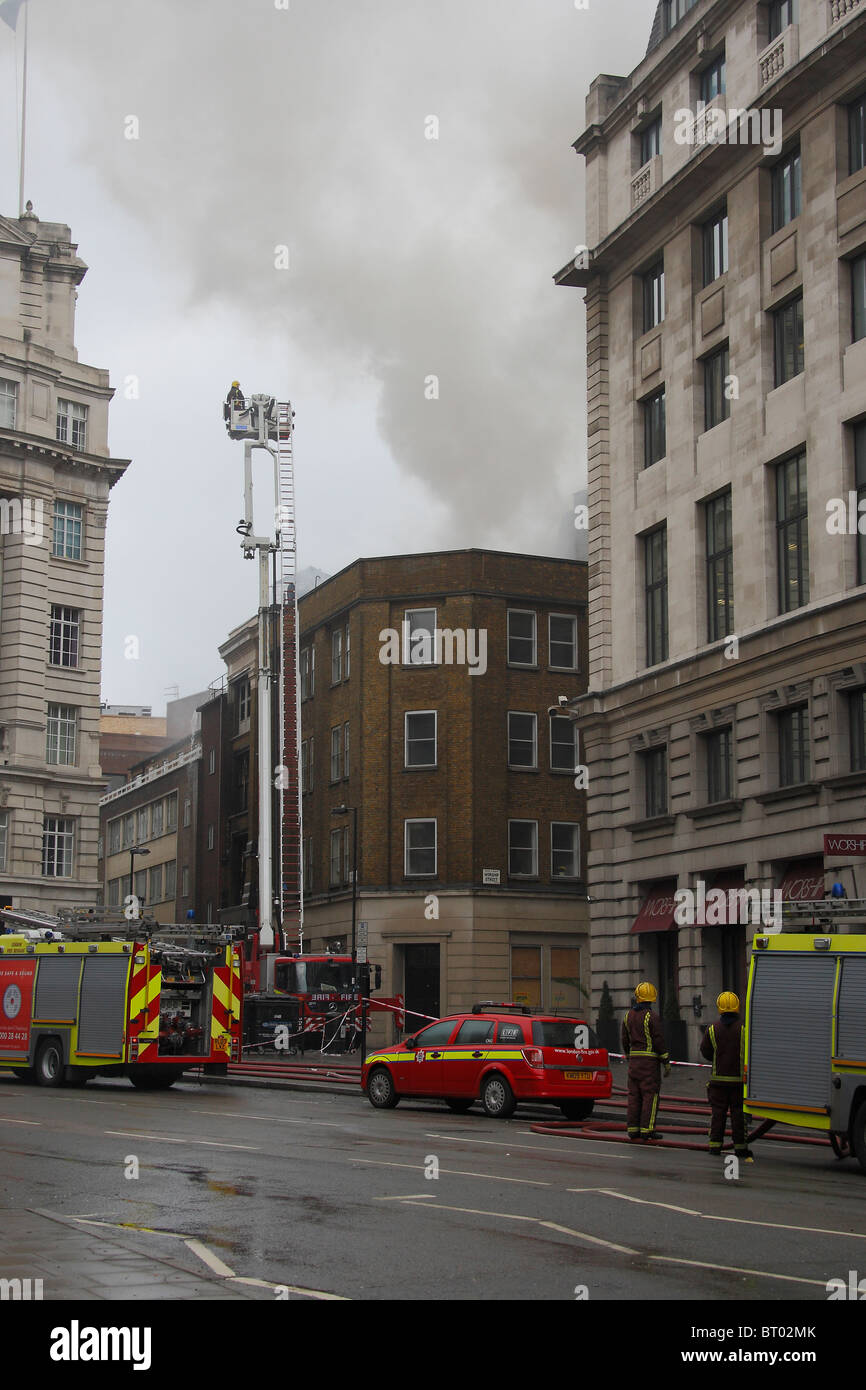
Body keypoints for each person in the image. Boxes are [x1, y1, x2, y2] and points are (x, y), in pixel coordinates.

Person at [700, 991, 753, 1162]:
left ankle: (715, 1146)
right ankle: (741, 1148)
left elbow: (705, 1051)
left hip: (718, 1081)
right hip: (738, 1082)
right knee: (739, 1116)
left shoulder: (712, 1029)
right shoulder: (744, 1028)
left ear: (720, 1008)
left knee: (718, 1114)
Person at [622, 981, 670, 1142]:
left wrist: (629, 1056)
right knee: (650, 1095)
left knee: (634, 1096)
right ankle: (647, 1129)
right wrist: (666, 1061)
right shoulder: (651, 1016)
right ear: (651, 999)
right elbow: (658, 1039)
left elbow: (624, 1039)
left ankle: (632, 1129)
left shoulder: (628, 1015)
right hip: (649, 1065)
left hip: (634, 1063)